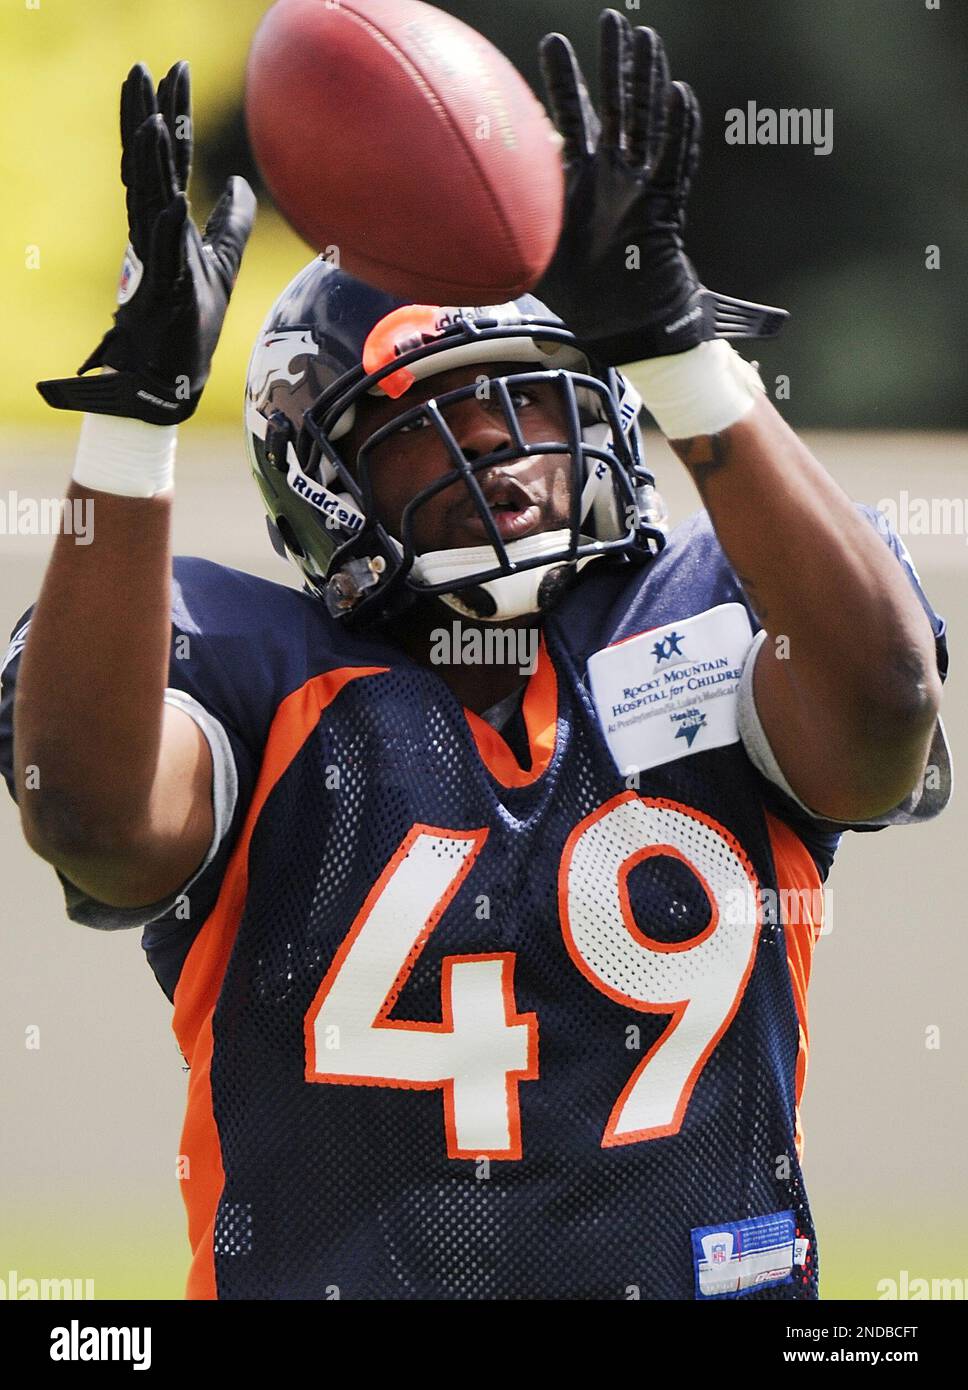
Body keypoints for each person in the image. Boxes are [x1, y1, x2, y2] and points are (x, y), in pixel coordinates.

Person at [1, 13, 951, 1301]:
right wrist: (130, 437)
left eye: (533, 402)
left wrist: (679, 346)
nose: (502, 448)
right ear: (320, 478)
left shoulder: (709, 610)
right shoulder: (250, 666)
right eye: (434, 421)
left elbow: (884, 714)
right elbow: (94, 817)